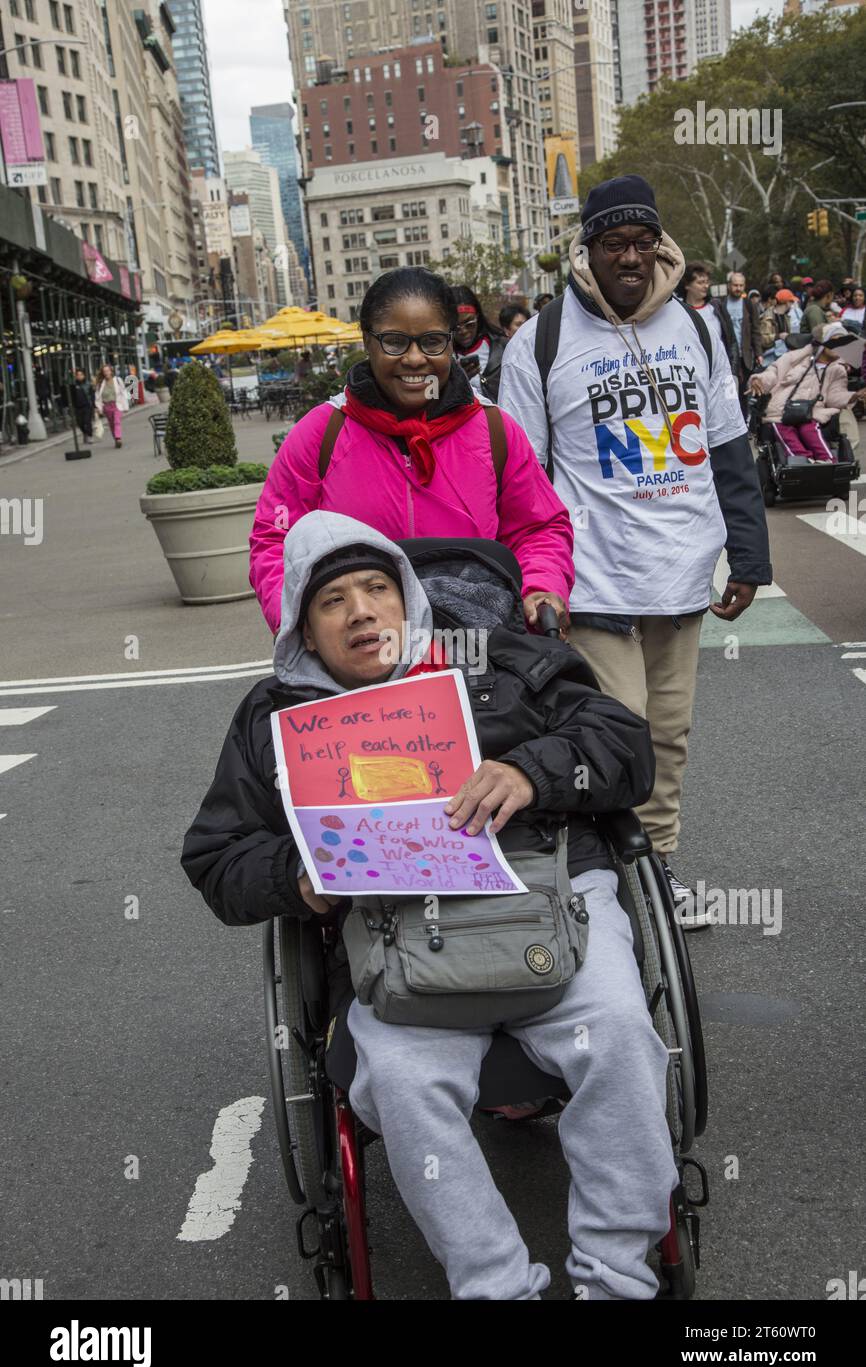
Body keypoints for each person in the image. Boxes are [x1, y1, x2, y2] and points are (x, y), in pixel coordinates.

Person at [182, 510, 675, 1301]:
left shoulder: (508, 664)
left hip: (546, 892)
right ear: (305, 630)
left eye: (378, 588)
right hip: (392, 931)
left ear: (409, 600)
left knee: (617, 1032)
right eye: (333, 600)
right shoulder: (275, 719)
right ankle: (495, 1285)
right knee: (402, 1080)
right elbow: (215, 857)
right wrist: (301, 878)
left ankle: (615, 1278)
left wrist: (531, 773)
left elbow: (625, 748)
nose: (362, 612)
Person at [499, 173, 773, 928]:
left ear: (661, 246)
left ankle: (657, 872)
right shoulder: (540, 341)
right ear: (586, 250)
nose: (630, 258)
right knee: (614, 736)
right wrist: (533, 579)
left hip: (683, 574)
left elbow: (726, 446)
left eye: (643, 243)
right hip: (593, 584)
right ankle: (609, 877)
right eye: (614, 243)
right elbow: (519, 477)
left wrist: (749, 556)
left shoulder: (698, 327)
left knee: (668, 736)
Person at [250, 268, 574, 638]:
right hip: (359, 657)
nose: (415, 359)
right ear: (367, 341)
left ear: (452, 342)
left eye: (432, 341)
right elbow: (275, 541)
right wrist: (294, 619)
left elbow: (539, 527)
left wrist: (541, 586)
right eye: (395, 342)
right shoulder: (320, 433)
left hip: (481, 653)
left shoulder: (495, 430)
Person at [748, 321, 866, 461]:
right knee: (783, 428)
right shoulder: (796, 357)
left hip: (812, 411)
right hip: (782, 408)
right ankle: (801, 460)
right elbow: (773, 372)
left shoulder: (838, 369)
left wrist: (853, 396)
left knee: (809, 429)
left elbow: (835, 396)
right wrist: (759, 380)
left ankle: (828, 461)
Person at [449, 285, 507, 402]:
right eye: (455, 327)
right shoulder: (439, 356)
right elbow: (431, 397)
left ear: (478, 317)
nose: (463, 331)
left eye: (469, 323)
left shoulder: (502, 347)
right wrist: (456, 380)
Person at [675, 262, 734, 365]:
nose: (706, 286)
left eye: (707, 282)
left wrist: (734, 372)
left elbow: (732, 341)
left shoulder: (717, 307)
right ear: (687, 285)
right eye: (700, 282)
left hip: (721, 368)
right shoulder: (679, 311)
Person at [723, 270, 764, 418]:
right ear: (729, 285)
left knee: (744, 392)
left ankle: (745, 422)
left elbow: (755, 330)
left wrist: (759, 353)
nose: (738, 288)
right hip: (727, 355)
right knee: (729, 391)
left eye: (741, 285)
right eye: (735, 285)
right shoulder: (722, 304)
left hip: (745, 355)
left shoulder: (748, 305)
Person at [94, 364, 128, 448]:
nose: (106, 373)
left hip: (117, 405)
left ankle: (118, 438)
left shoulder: (118, 380)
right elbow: (98, 397)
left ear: (111, 371)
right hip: (107, 406)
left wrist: (125, 406)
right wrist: (99, 408)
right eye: (104, 371)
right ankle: (116, 439)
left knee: (117, 422)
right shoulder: (100, 384)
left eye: (108, 371)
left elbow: (123, 393)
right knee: (111, 424)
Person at [70, 367, 95, 442]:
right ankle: (85, 433)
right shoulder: (74, 385)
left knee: (87, 421)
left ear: (84, 375)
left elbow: (92, 395)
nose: (79, 376)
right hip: (78, 407)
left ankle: (90, 436)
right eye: (78, 375)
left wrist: (94, 406)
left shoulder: (88, 384)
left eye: (81, 375)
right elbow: (71, 396)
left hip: (87, 406)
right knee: (79, 423)